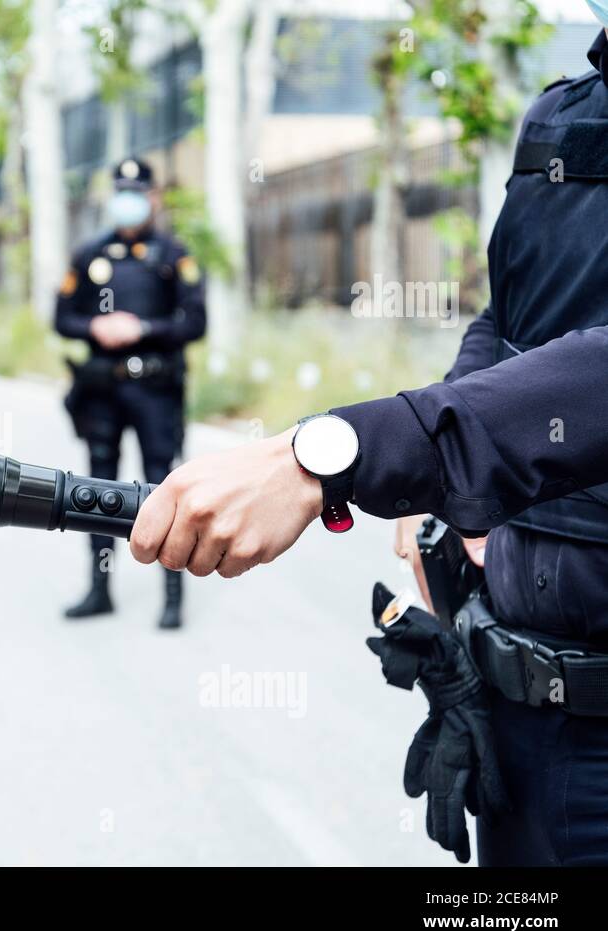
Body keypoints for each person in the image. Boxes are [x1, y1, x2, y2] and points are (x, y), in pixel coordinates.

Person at [129, 20, 608, 866]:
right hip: (523, 718)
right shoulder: (564, 120)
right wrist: (449, 494)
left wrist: (331, 456)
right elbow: (510, 319)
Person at [54, 157, 206, 629]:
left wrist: (140, 327)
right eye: (121, 191)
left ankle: (172, 595)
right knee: (96, 490)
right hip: (102, 389)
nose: (129, 200)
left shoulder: (172, 257)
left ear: (154, 197)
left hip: (155, 390)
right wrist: (96, 326)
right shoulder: (87, 255)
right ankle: (100, 589)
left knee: (162, 487)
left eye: (138, 192)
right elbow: (61, 319)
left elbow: (195, 322)